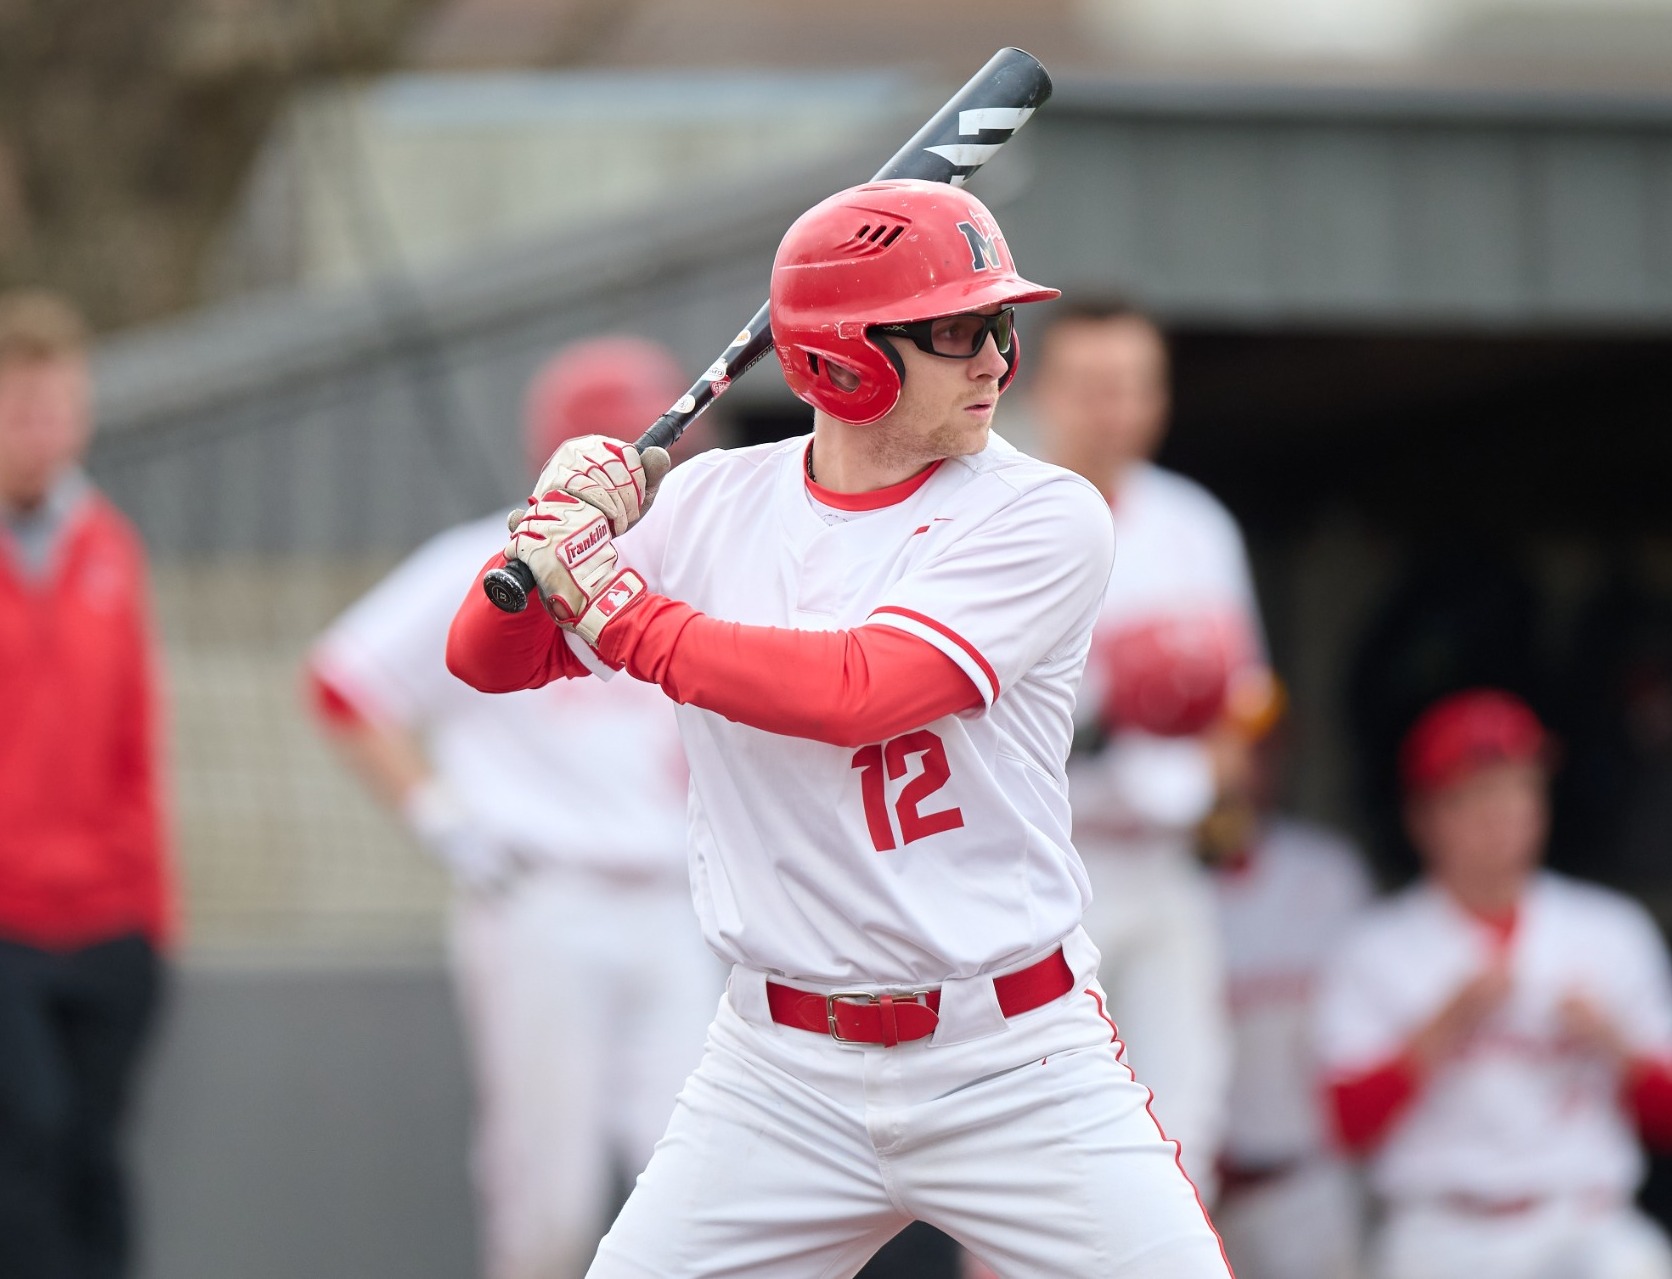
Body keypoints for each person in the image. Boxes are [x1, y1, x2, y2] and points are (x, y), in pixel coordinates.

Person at [446, 179, 1232, 1277]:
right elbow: (486, 658)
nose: (997, 360)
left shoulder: (1043, 512)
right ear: (844, 357)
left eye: (1001, 326)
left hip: (1007, 1049)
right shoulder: (714, 501)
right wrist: (542, 537)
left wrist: (615, 605)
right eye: (959, 331)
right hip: (776, 1070)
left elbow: (859, 690)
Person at [307, 336, 723, 1279]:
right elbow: (342, 683)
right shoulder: (486, 565)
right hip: (543, 895)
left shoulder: (688, 565)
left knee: (697, 1184)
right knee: (549, 1199)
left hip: (674, 905)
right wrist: (436, 814)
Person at [1315, 689, 1672, 1279]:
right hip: (1442, 1225)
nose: (1502, 814)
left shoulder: (1609, 929)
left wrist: (1613, 1043)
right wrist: (1445, 1027)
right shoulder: (1378, 945)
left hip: (1580, 1218)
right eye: (1475, 795)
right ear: (1425, 817)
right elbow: (1347, 1126)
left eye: (1519, 788)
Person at [1031, 298, 1266, 1196]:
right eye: (1092, 386)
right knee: (1031, 1166)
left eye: (1132, 386)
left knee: (1179, 1145)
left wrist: (1216, 760)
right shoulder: (999, 511)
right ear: (1045, 389)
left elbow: (1244, 713)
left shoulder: (1194, 524)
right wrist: (1110, 714)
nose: (1113, 408)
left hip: (1165, 863)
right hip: (1044, 870)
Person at [0, 288, 172, 1279]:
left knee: (93, 1153)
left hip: (107, 922)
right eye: (23, 408)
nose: (43, 431)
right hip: (7, 924)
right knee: (24, 1134)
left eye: (58, 407)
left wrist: (152, 916)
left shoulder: (110, 547)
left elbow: (134, 743)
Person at [1200, 680, 1375, 1279]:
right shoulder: (1147, 880)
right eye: (1229, 748)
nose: (1245, 769)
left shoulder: (1329, 873)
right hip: (1184, 1185)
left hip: (1304, 1179)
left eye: (1263, 750)